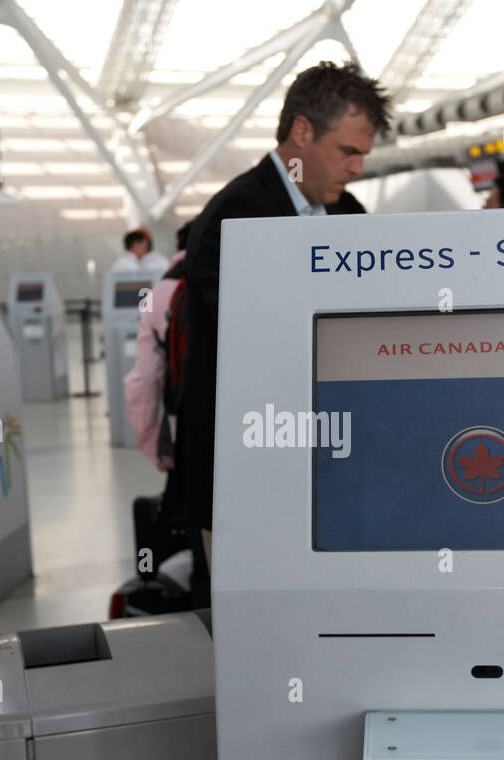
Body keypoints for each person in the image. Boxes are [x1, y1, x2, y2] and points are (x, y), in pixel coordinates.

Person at [178, 60, 391, 573]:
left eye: (364, 154)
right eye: (348, 151)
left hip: (328, 466)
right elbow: (256, 350)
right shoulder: (234, 219)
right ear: (302, 132)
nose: (358, 168)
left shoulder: (349, 214)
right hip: (248, 475)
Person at [125, 219, 192, 470]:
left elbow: (145, 377)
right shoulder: (235, 280)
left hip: (181, 416)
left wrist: (152, 442)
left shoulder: (163, 291)